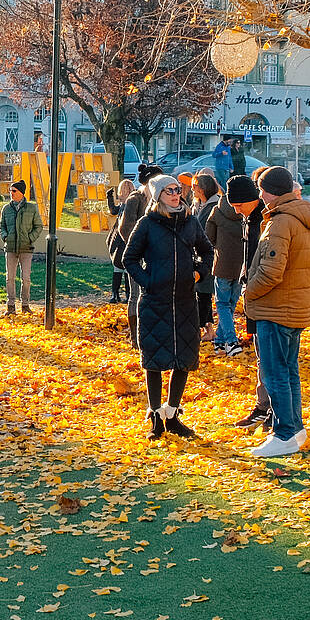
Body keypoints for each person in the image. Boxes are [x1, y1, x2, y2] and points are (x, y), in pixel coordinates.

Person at [121, 174, 214, 438]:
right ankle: (155, 417)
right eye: (169, 190)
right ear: (157, 195)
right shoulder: (147, 224)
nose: (176, 194)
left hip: (185, 301)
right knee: (154, 361)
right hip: (154, 302)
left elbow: (208, 251)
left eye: (178, 189)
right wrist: (148, 282)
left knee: (183, 359)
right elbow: (129, 259)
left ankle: (172, 414)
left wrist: (198, 273)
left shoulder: (190, 221)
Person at [243, 166, 310, 458]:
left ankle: (285, 432)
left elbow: (271, 272)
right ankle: (294, 427)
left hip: (275, 308)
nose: (260, 195)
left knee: (276, 373)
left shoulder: (280, 222)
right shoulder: (304, 218)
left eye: (263, 190)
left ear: (273, 191)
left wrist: (248, 291)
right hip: (294, 306)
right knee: (289, 372)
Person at [206, 174, 258, 359]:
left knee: (221, 304)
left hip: (222, 263)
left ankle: (230, 340)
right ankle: (220, 341)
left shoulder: (217, 212)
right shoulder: (247, 213)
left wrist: (219, 246)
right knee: (231, 304)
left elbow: (208, 236)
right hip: (241, 264)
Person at [111, 165, 161, 344]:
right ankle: (135, 336)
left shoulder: (160, 200)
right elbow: (125, 227)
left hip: (158, 257)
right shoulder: (136, 198)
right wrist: (140, 248)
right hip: (138, 257)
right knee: (135, 295)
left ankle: (152, 332)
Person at [0, 178, 43, 314]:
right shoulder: (6, 209)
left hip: (26, 248)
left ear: (21, 193)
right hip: (11, 248)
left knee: (26, 279)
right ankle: (10, 306)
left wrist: (30, 239)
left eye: (14, 191)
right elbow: (2, 226)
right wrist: (5, 237)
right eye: (10, 191)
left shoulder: (31, 208)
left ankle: (25, 305)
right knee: (9, 278)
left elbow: (38, 226)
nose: (11, 193)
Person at [191, 173, 222, 342]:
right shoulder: (198, 205)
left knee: (203, 293)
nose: (192, 189)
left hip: (208, 256)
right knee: (201, 294)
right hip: (197, 255)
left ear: (202, 189)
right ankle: (207, 328)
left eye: (194, 186)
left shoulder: (213, 206)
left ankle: (206, 329)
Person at [107, 178, 137, 304]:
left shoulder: (127, 205)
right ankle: (124, 294)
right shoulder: (129, 205)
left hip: (122, 239)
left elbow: (113, 210)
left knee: (120, 267)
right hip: (124, 239)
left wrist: (109, 197)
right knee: (122, 267)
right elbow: (114, 210)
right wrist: (109, 197)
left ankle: (118, 294)